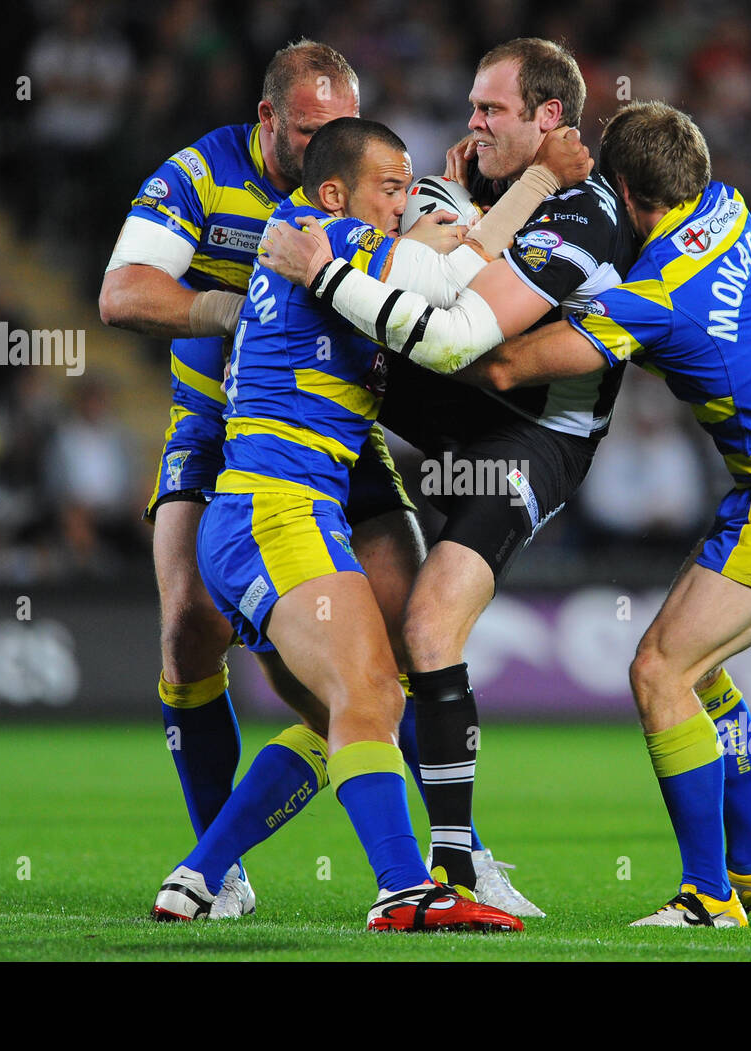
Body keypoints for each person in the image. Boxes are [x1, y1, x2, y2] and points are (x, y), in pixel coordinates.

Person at [271, 101, 751, 926]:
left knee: (660, 671)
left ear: (624, 191)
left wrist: (351, 282)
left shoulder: (655, 293)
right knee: (701, 673)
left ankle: (708, 897)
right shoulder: (727, 210)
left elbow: (505, 364)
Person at [151, 115, 584, 930]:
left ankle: (200, 875)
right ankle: (404, 888)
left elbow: (436, 266)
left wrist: (445, 212)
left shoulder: (324, 244)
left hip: (260, 513)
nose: (401, 204)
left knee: (339, 715)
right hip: (280, 512)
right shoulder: (330, 233)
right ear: (335, 191)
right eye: (392, 188)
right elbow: (456, 278)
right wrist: (538, 183)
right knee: (376, 690)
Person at [265, 38, 635, 903]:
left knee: (429, 629)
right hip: (441, 415)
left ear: (549, 120)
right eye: (472, 106)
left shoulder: (581, 212)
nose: (469, 123)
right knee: (373, 671)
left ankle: (461, 862)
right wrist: (458, 211)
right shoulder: (461, 188)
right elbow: (431, 267)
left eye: (490, 109)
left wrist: (324, 272)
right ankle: (219, 868)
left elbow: (461, 336)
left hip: (531, 433)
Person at [99, 40, 424, 918]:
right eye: (309, 128)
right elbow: (123, 294)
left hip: (335, 436)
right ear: (267, 120)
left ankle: (456, 852)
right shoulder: (203, 174)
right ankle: (227, 870)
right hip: (222, 433)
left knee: (404, 642)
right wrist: (247, 310)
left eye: (339, 128)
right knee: (190, 630)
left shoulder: (361, 196)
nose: (326, 142)